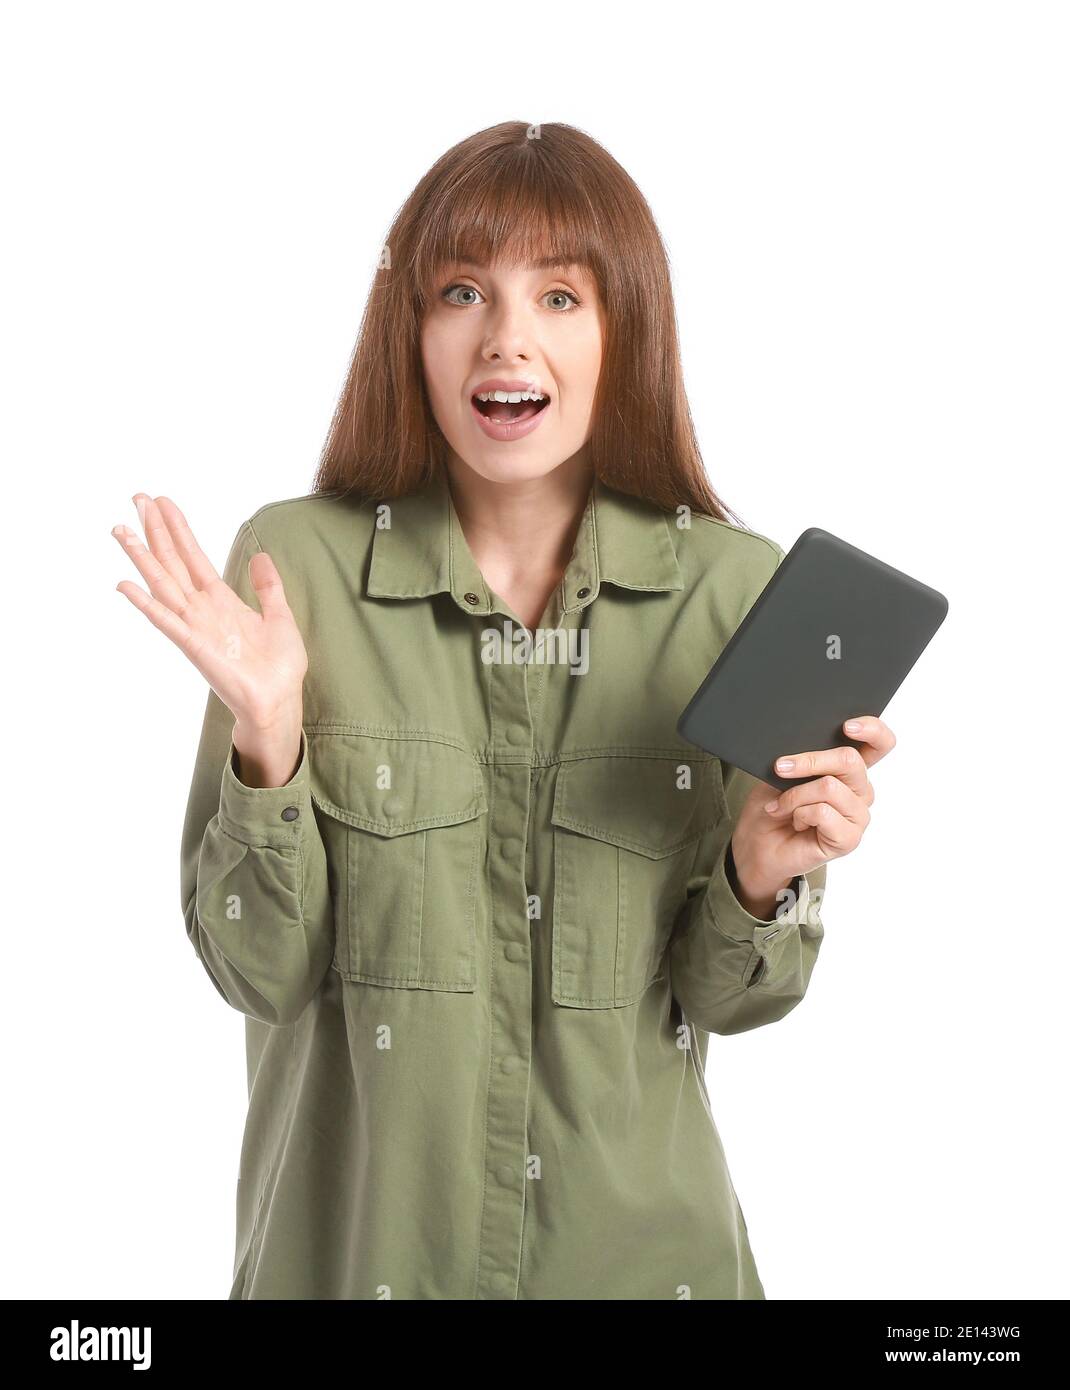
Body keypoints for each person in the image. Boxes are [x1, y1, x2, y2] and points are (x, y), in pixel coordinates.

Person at [113, 120, 893, 1300]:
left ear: (624, 330)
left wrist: (756, 872)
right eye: (461, 290)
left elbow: (736, 1000)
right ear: (410, 332)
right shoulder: (294, 571)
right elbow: (253, 969)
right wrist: (269, 745)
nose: (506, 339)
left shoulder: (732, 593)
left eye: (562, 296)